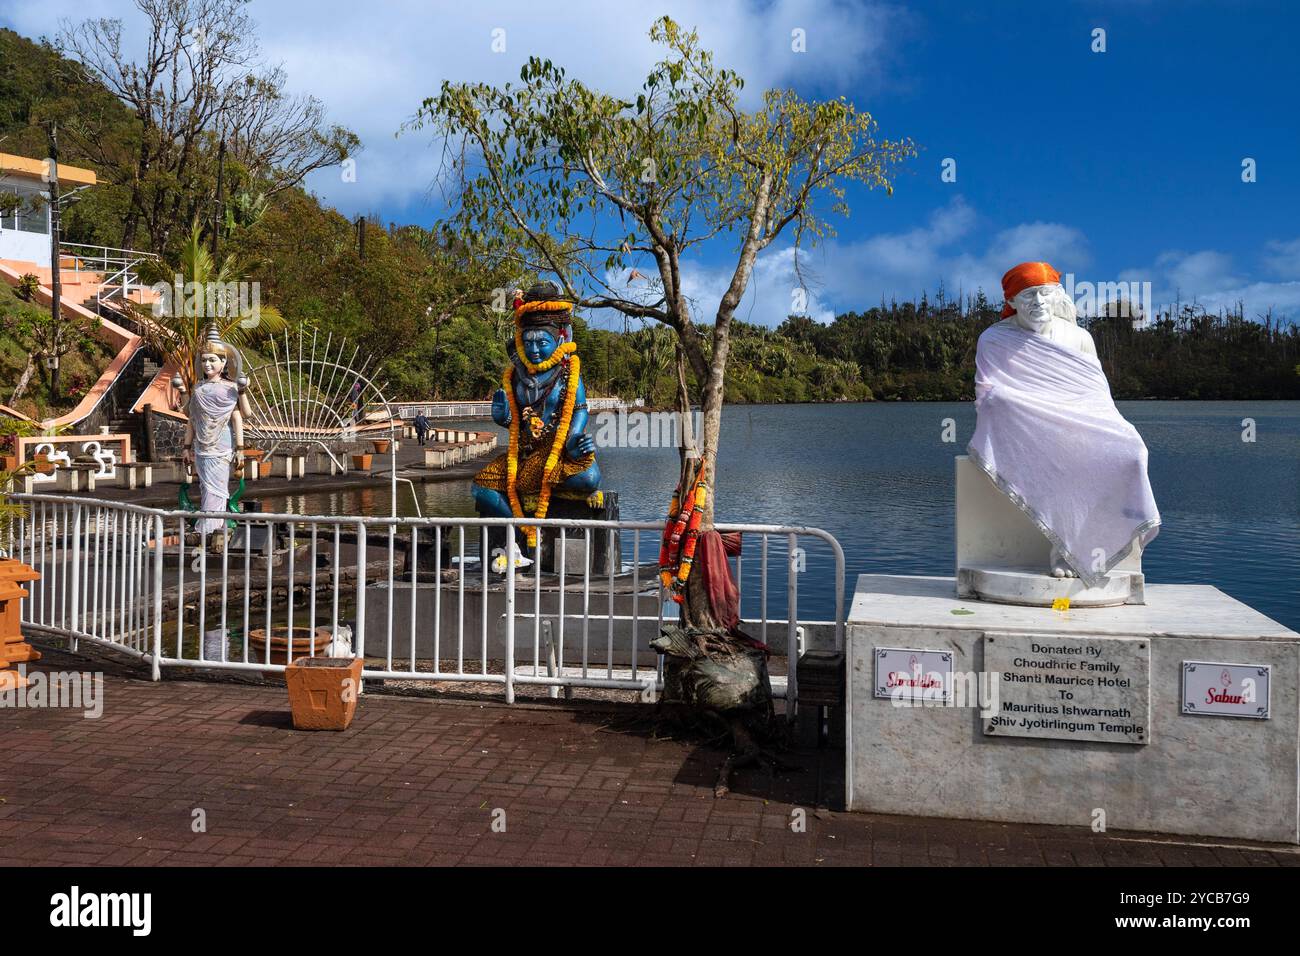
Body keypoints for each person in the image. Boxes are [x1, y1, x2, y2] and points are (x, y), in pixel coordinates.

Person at [183, 338, 250, 543]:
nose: (207, 365)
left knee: (217, 490)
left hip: (222, 447)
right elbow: (191, 419)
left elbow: (242, 415)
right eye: (204, 361)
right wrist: (186, 447)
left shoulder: (230, 388)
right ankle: (214, 527)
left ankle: (210, 530)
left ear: (223, 363)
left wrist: (240, 448)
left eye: (212, 360)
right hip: (202, 447)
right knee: (206, 489)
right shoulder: (199, 389)